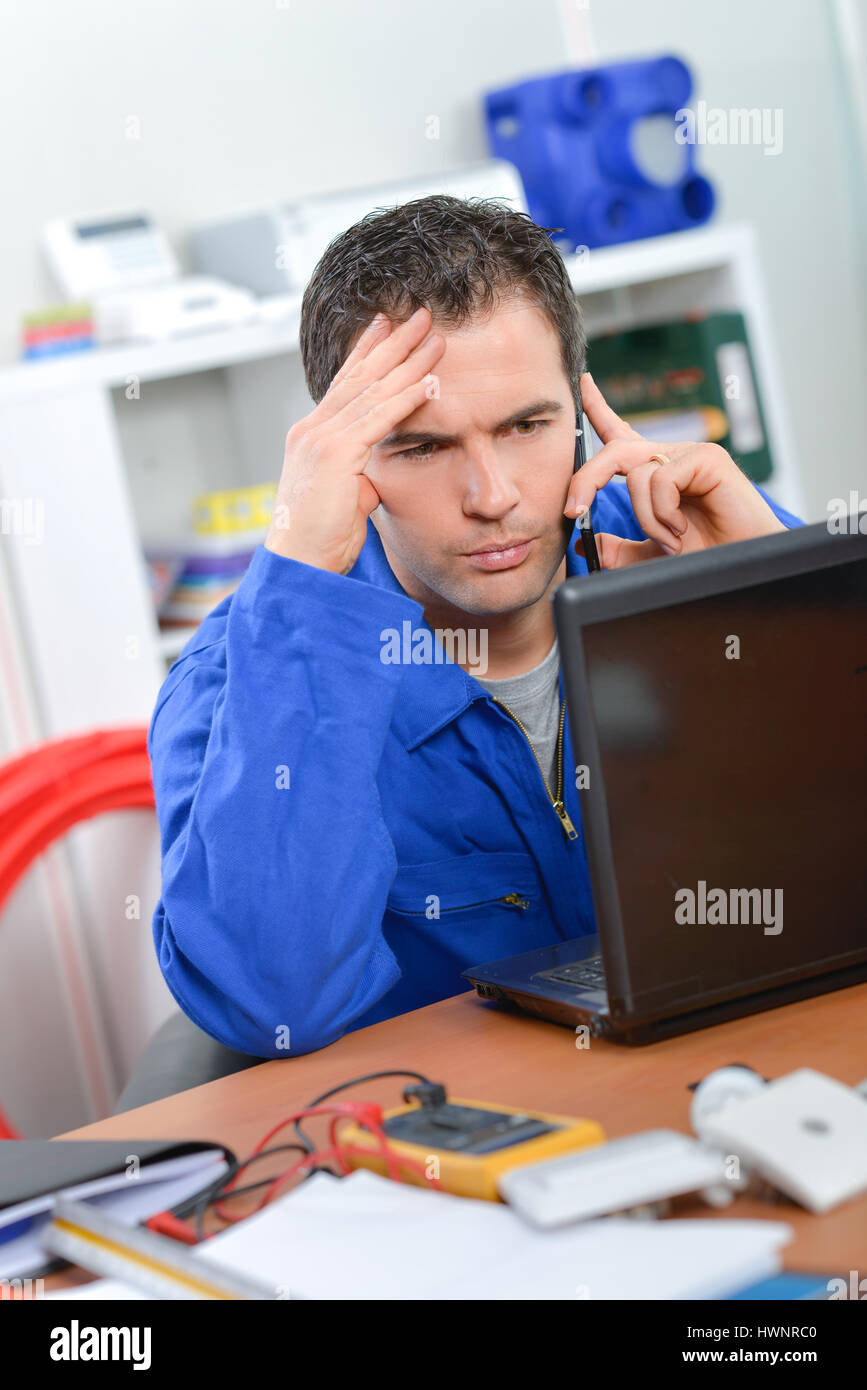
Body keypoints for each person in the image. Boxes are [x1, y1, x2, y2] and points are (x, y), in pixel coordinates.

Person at [147, 195, 803, 1061]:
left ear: (578, 408)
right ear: (342, 460)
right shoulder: (247, 674)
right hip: (458, 1157)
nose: (492, 496)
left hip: (738, 1079)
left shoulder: (682, 537)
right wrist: (303, 588)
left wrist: (774, 600)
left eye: (526, 426)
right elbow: (274, 1001)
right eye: (421, 446)